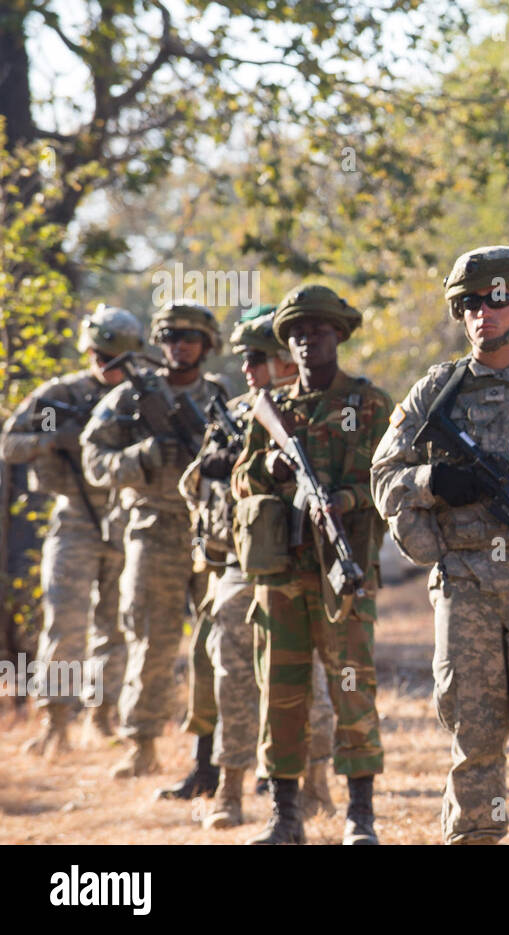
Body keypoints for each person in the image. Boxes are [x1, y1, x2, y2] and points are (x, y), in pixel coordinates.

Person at [371, 246, 509, 844]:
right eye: (470, 303)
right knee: (472, 735)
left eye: (498, 299)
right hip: (467, 584)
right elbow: (384, 474)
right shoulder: (438, 391)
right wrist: (429, 482)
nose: (484, 313)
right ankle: (474, 835)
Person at [232, 284, 393, 845]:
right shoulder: (273, 408)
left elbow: (389, 479)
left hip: (343, 574)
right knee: (280, 689)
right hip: (281, 573)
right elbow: (240, 480)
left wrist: (342, 501)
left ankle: (361, 815)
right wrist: (273, 465)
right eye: (296, 333)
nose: (306, 340)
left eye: (318, 330)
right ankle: (285, 816)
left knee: (352, 687)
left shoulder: (370, 404)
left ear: (339, 336)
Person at [177, 308, 338, 828]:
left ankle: (317, 785)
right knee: (233, 675)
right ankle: (229, 787)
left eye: (257, 358)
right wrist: (214, 467)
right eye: (243, 358)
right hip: (242, 565)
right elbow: (195, 490)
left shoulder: (323, 407)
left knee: (308, 683)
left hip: (305, 562)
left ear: (285, 361)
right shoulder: (236, 414)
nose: (247, 368)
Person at [81, 303, 227, 778]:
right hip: (153, 529)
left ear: (207, 345)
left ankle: (216, 749)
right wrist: (139, 458)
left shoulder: (221, 397)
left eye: (190, 336)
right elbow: (93, 459)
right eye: (171, 336)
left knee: (220, 643)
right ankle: (141, 743)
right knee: (150, 639)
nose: (180, 344)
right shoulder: (130, 396)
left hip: (211, 531)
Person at [1, 304, 142, 752]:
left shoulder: (141, 397)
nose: (105, 365)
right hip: (74, 521)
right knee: (65, 622)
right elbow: (9, 443)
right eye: (99, 355)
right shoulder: (57, 395)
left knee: (117, 625)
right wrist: (50, 440)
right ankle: (56, 720)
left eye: (114, 358)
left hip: (124, 517)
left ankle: (103, 715)